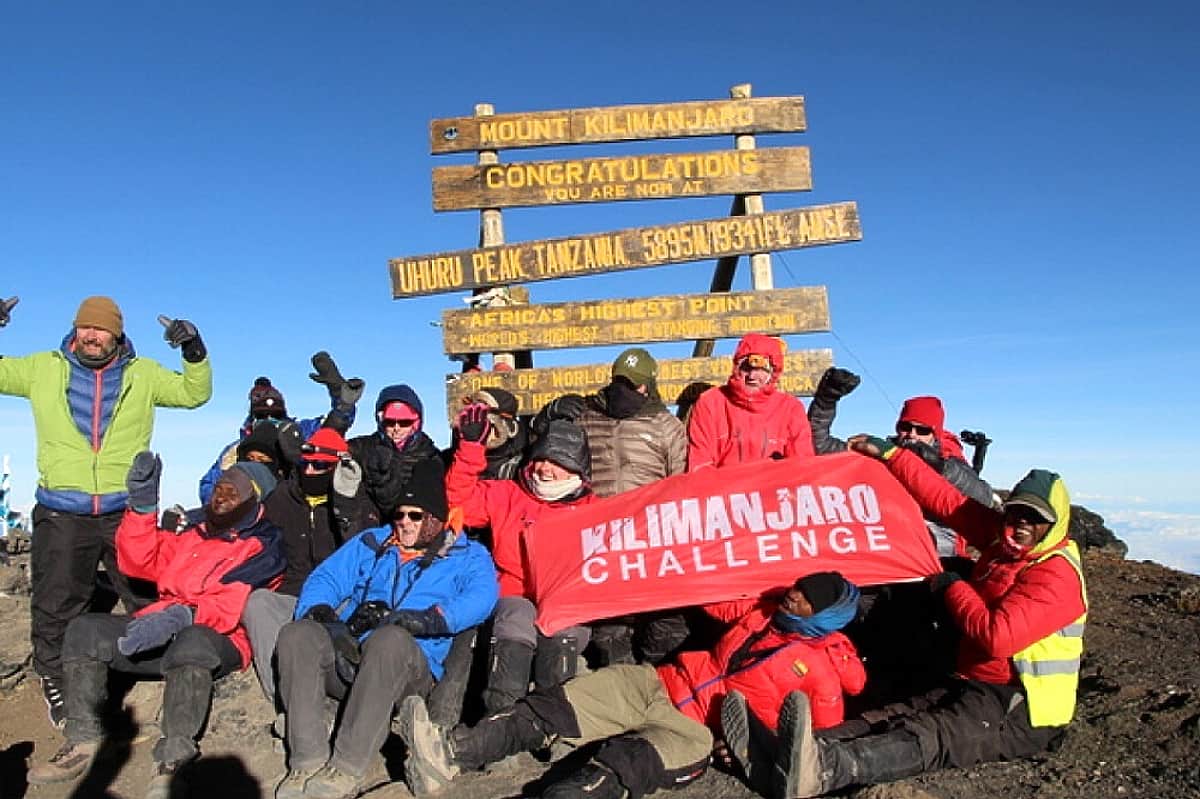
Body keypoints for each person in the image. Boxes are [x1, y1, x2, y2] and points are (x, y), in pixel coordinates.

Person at [760, 436, 1087, 799]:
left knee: (931, 735)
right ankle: (781, 749)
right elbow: (947, 500)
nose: (1022, 522)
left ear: (1055, 525)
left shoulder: (1055, 574)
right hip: (972, 679)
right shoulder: (1004, 542)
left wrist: (952, 585)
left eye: (1037, 518)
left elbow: (998, 637)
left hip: (1022, 706)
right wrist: (892, 454)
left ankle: (822, 769)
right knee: (892, 716)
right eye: (1016, 511)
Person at [398, 572, 865, 799]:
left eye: (806, 597)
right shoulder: (761, 612)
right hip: (656, 683)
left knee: (615, 768)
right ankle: (449, 755)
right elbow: (712, 586)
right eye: (799, 585)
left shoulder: (821, 670)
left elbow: (813, 743)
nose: (794, 593)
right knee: (553, 707)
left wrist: (748, 751)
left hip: (695, 731)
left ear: (824, 615)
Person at [0, 296, 212, 727]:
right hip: (62, 510)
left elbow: (195, 394)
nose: (91, 336)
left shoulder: (143, 374)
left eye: (100, 329)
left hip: (124, 510)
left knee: (145, 593)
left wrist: (194, 350)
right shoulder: (43, 368)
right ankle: (56, 678)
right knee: (56, 601)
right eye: (85, 327)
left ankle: (156, 668)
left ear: (117, 335)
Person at [27, 456, 284, 798]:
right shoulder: (193, 529)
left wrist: (180, 616)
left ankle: (173, 758)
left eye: (232, 493)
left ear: (253, 499)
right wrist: (142, 507)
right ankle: (84, 738)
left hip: (219, 637)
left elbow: (232, 604)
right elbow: (138, 562)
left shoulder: (264, 544)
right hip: (160, 625)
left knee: (192, 642)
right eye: (219, 490)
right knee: (85, 631)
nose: (221, 498)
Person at [273, 460, 498, 799]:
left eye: (415, 515)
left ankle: (346, 766)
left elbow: (482, 597)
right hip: (352, 653)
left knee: (390, 639)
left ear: (436, 519)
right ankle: (306, 759)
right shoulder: (373, 542)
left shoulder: (467, 555)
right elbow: (327, 578)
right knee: (298, 634)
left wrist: (428, 619)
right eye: (399, 514)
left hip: (408, 668)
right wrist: (323, 614)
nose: (404, 522)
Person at [535, 347, 689, 666]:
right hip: (598, 537)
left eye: (633, 384)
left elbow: (682, 484)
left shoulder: (666, 425)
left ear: (648, 386)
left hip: (651, 538)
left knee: (665, 624)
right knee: (610, 630)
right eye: (620, 381)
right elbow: (543, 445)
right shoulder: (586, 414)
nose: (625, 390)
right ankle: (617, 679)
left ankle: (656, 677)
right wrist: (551, 414)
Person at [447, 414, 596, 713]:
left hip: (566, 599)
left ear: (577, 469)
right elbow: (459, 503)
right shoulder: (508, 494)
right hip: (514, 594)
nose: (545, 469)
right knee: (516, 621)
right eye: (541, 459)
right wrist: (471, 450)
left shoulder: (596, 510)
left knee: (562, 630)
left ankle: (550, 724)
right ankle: (500, 716)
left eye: (558, 462)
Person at [242, 427, 375, 707]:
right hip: (292, 593)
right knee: (258, 603)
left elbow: (365, 557)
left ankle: (341, 695)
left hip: (338, 599)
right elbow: (250, 530)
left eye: (321, 465)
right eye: (306, 463)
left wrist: (346, 511)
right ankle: (282, 698)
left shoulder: (359, 502)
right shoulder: (282, 498)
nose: (311, 471)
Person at [808, 369, 998, 556]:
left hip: (939, 550)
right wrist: (826, 401)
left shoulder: (948, 462)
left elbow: (983, 497)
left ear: (935, 434)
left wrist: (931, 461)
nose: (912, 435)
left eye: (922, 430)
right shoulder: (879, 452)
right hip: (886, 540)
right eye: (906, 427)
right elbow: (820, 446)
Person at [199, 352, 363, 504]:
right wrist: (230, 506)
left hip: (296, 510)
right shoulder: (235, 451)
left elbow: (334, 427)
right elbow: (209, 487)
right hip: (252, 516)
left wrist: (341, 398)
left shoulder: (302, 433)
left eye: (276, 416)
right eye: (262, 416)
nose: (269, 421)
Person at [687, 333, 814, 470]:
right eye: (746, 368)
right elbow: (700, 464)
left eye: (762, 370)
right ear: (736, 368)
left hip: (775, 482)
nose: (752, 376)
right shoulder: (710, 403)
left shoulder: (790, 408)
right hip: (723, 483)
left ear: (773, 373)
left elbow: (802, 467)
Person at [342, 384, 444, 528]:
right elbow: (327, 448)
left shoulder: (431, 456)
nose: (397, 428)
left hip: (415, 531)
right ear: (380, 421)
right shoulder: (363, 448)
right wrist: (342, 410)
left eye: (405, 422)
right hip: (369, 532)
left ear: (416, 423)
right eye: (390, 422)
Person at [442, 387, 528, 481]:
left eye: (486, 424)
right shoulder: (445, 461)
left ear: (509, 427)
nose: (477, 430)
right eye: (470, 422)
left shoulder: (524, 466)